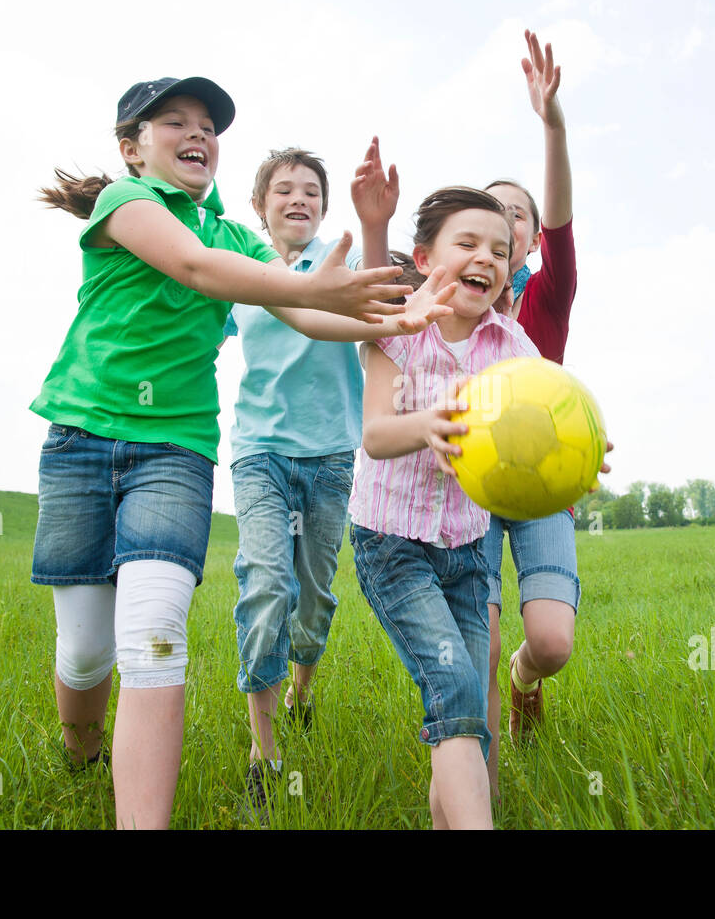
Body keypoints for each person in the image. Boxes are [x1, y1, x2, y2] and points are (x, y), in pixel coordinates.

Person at [30, 76, 444, 829]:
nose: (198, 133)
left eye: (208, 125)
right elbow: (194, 268)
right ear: (133, 150)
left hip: (175, 449)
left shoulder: (234, 237)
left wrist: (398, 317)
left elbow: (299, 311)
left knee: (155, 633)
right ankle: (80, 751)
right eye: (176, 122)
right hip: (81, 441)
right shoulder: (127, 205)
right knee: (86, 651)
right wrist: (312, 291)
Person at [350, 186, 536, 830]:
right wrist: (428, 423)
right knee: (455, 692)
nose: (487, 257)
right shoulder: (395, 328)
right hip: (392, 545)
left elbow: (542, 433)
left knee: (469, 718)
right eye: (469, 243)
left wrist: (573, 461)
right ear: (426, 257)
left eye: (501, 250)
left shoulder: (512, 348)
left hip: (466, 552)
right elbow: (375, 434)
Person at [225, 138, 402, 812]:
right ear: (259, 205)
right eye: (284, 190)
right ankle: (263, 753)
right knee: (266, 583)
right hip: (259, 453)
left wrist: (376, 227)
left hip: (330, 456)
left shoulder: (343, 257)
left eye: (310, 192)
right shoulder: (242, 269)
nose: (299, 199)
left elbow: (380, 302)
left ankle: (301, 691)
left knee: (313, 596)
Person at [482, 31, 588, 795]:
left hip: (545, 483)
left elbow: (558, 220)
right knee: (477, 645)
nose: (510, 224)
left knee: (549, 641)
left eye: (517, 216)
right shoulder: (450, 305)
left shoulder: (547, 294)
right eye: (491, 214)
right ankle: (478, 786)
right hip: (473, 489)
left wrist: (551, 124)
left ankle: (528, 679)